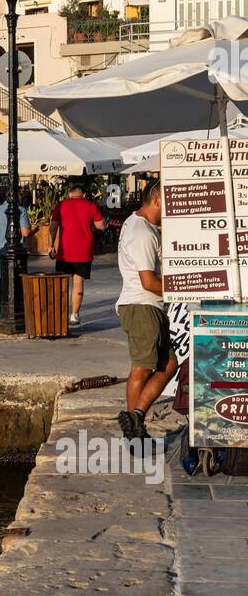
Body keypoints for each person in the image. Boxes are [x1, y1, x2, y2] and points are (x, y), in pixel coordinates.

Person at [115, 181, 178, 440]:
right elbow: (148, 282)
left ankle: (136, 416)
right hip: (142, 305)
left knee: (169, 364)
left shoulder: (144, 225)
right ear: (157, 200)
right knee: (142, 368)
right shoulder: (142, 233)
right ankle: (134, 430)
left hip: (149, 307)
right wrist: (181, 290)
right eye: (170, 203)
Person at [48, 179, 105, 327]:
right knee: (78, 282)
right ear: (83, 194)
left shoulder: (61, 205)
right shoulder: (91, 206)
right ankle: (74, 315)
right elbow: (101, 226)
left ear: (69, 194)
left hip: (65, 251)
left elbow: (53, 227)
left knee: (62, 282)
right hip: (84, 251)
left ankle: (60, 313)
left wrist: (50, 245)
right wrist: (90, 226)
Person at [0, 192, 31, 322]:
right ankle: (18, 313)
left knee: (0, 282)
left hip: (0, 254)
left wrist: (1, 247)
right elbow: (25, 232)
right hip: (17, 256)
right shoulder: (20, 210)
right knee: (18, 283)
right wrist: (33, 231)